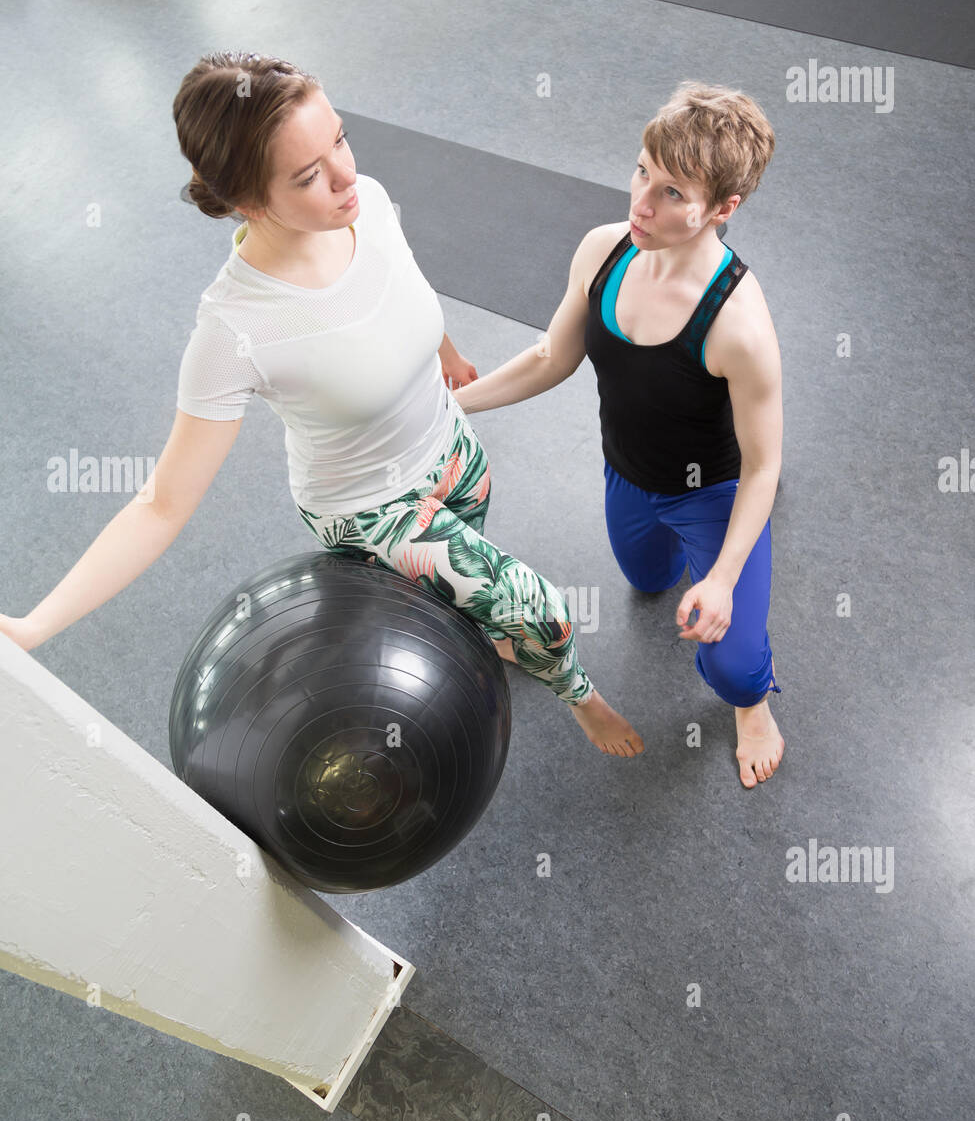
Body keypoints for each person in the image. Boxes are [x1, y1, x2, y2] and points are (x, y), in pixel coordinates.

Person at [0, 51, 643, 758]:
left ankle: (491, 634)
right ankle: (582, 698)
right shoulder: (234, 329)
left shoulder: (363, 197)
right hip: (372, 507)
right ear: (246, 201)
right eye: (307, 175)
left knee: (474, 589)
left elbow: (399, 287)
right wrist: (35, 625)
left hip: (451, 449)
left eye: (338, 136)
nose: (343, 175)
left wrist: (444, 352)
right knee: (541, 613)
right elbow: (160, 503)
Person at [451, 81, 785, 788]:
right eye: (641, 171)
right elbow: (551, 356)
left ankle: (754, 706)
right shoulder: (605, 250)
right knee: (647, 581)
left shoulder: (739, 327)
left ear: (723, 209)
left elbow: (761, 464)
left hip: (714, 492)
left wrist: (722, 580)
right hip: (626, 472)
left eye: (671, 193)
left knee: (728, 659)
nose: (640, 202)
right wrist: (451, 411)